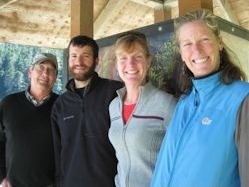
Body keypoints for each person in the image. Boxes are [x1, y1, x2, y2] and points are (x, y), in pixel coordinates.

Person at [151, 9, 249, 187]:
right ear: (181, 52)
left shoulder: (243, 99)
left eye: (204, 39)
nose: (196, 49)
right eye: (187, 44)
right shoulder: (184, 103)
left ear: (219, 43)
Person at [51, 35, 123, 187]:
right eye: (74, 56)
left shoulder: (116, 91)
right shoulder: (60, 105)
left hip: (111, 183)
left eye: (85, 56)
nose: (79, 62)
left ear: (96, 61)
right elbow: (57, 153)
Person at [108, 31, 177, 187]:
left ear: (148, 61)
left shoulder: (167, 104)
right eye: (123, 58)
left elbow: (182, 159)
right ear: (117, 65)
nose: (130, 64)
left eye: (137, 57)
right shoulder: (113, 106)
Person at [0, 53, 59, 187]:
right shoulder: (8, 103)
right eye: (41, 68)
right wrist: (1, 177)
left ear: (55, 77)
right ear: (30, 72)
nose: (45, 73)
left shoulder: (62, 106)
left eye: (51, 70)